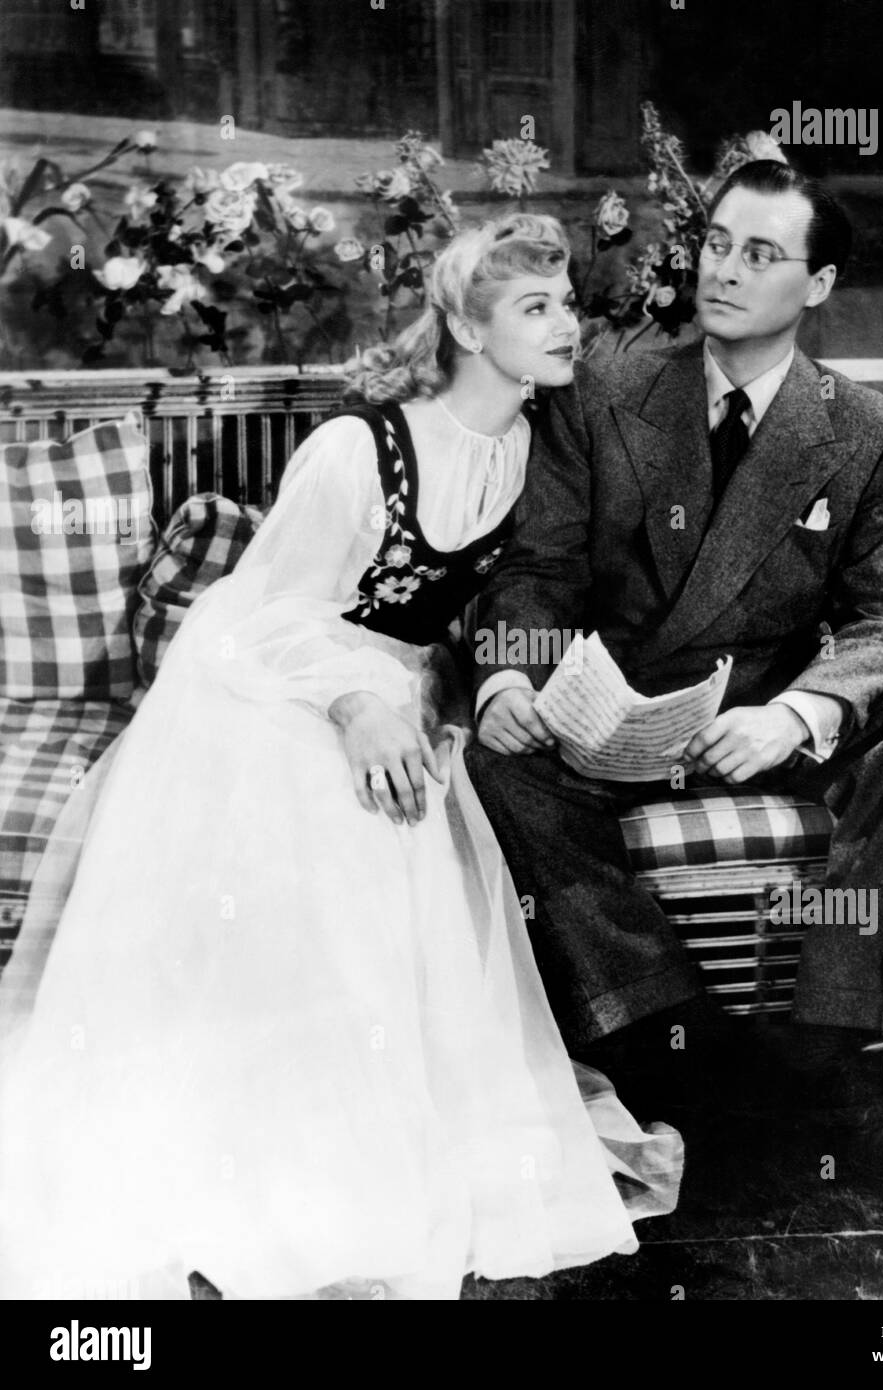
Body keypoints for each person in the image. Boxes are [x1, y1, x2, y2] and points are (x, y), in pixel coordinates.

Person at [0, 214, 682, 1303]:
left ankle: (387, 1135)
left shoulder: (538, 453)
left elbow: (492, 611)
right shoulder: (360, 449)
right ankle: (294, 1162)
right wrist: (358, 700)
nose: (569, 327)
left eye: (569, 304)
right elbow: (260, 618)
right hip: (267, 688)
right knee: (340, 808)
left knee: (411, 801)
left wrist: (462, 692)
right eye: (536, 308)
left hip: (401, 691)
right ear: (465, 323)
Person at [465, 162, 883, 1186]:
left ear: (819, 285)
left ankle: (839, 1067)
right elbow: (534, 570)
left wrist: (799, 715)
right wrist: (508, 682)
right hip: (615, 727)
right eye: (717, 244)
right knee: (491, 761)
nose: (726, 270)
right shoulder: (603, 394)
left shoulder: (873, 434)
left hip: (769, 732)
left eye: (761, 254)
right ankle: (677, 1041)